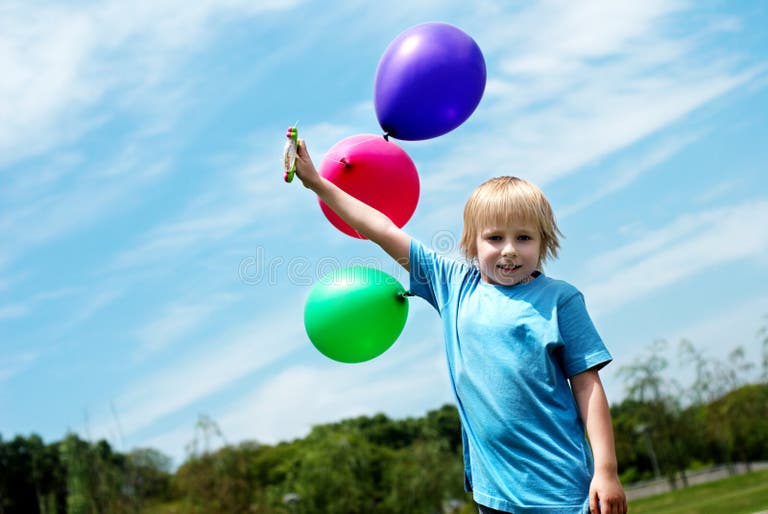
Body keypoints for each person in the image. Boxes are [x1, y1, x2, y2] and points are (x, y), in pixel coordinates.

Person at [293, 139, 627, 514]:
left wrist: (606, 470)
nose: (510, 250)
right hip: (494, 496)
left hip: (564, 492)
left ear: (543, 241)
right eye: (495, 238)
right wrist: (317, 183)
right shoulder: (453, 284)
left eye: (524, 237)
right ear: (472, 243)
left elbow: (587, 386)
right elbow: (381, 227)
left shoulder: (560, 300)